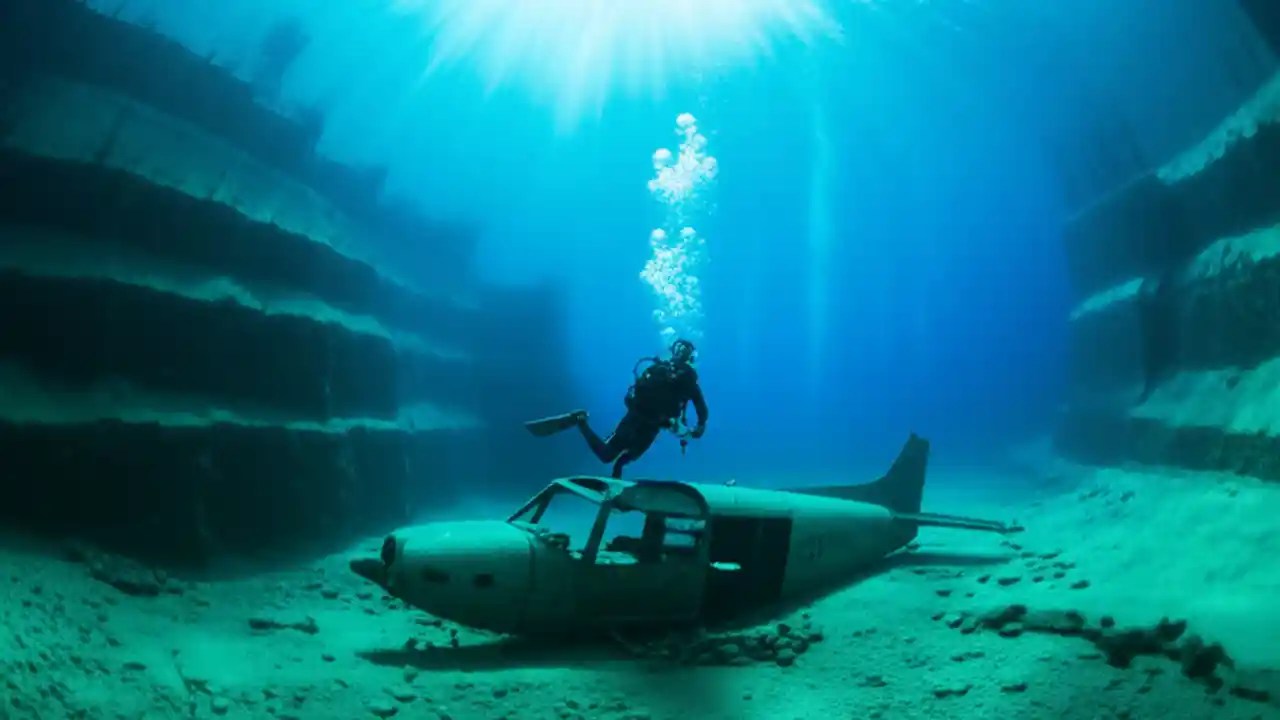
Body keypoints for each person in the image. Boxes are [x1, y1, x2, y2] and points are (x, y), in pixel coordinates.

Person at [573, 338, 709, 478]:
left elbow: (635, 388)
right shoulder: (690, 380)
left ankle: (581, 423)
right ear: (691, 357)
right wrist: (700, 426)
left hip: (635, 416)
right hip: (654, 425)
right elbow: (702, 409)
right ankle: (618, 468)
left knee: (607, 455)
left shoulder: (658, 368)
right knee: (628, 457)